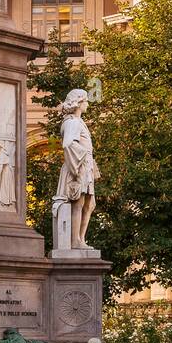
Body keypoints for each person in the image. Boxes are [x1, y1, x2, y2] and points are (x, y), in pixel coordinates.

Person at [55, 89, 97, 249]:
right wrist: (81, 162)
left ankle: (80, 239)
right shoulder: (73, 122)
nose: (87, 104)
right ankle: (75, 241)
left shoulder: (78, 122)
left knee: (89, 204)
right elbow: (68, 144)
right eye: (85, 101)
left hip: (84, 167)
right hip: (78, 166)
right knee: (78, 203)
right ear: (79, 103)